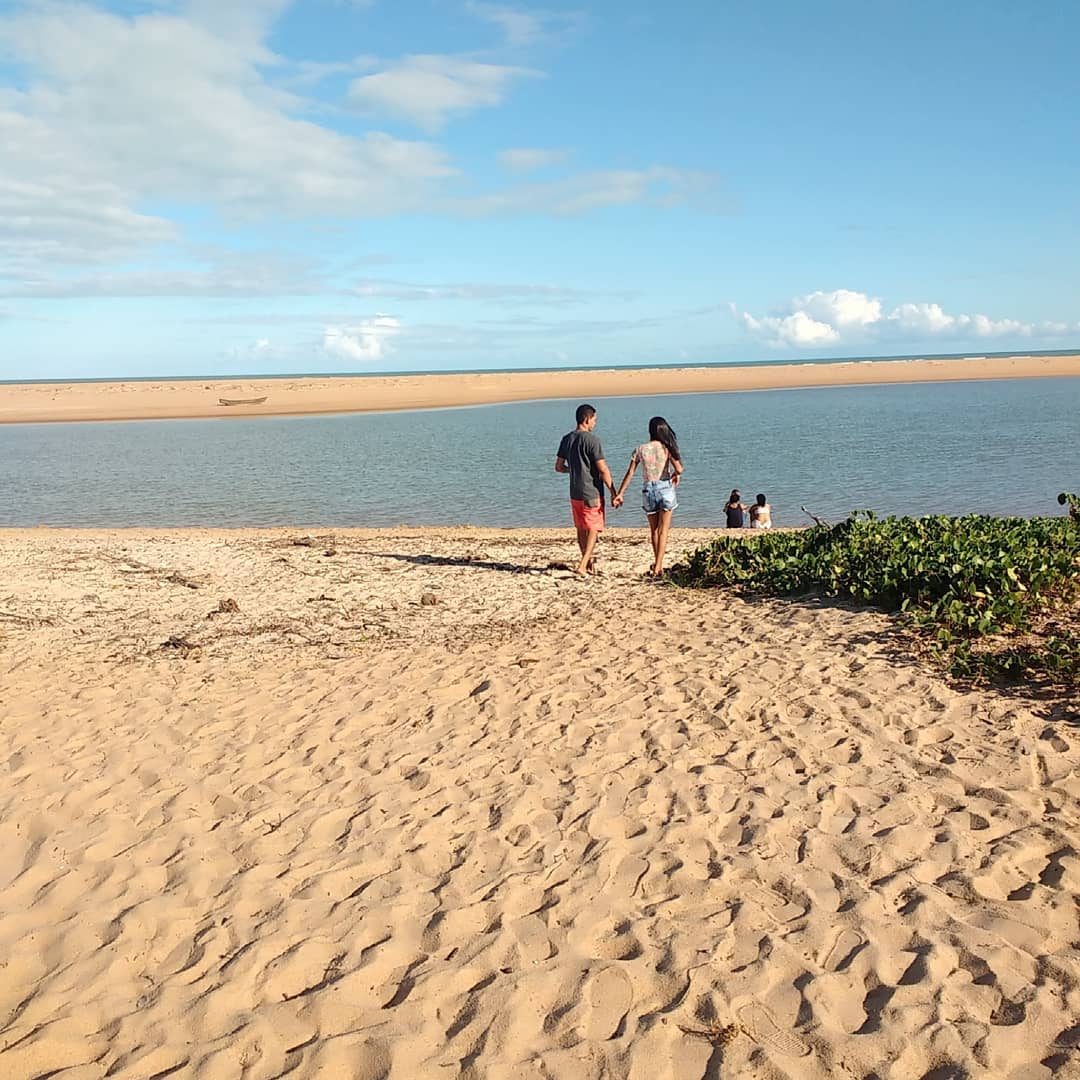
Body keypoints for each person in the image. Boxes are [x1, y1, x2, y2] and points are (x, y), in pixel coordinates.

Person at [614, 415, 684, 577]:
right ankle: (659, 565)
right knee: (664, 529)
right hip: (665, 487)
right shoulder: (667, 448)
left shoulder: (640, 449)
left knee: (654, 530)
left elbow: (630, 472)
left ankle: (657, 563)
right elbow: (679, 469)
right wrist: (675, 474)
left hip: (648, 489)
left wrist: (620, 493)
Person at [555, 404, 620, 577]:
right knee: (593, 527)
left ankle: (588, 562)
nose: (595, 423)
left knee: (580, 527)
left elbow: (559, 467)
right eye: (594, 420)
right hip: (591, 490)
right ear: (587, 419)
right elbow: (603, 469)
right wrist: (613, 491)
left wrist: (574, 469)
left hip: (575, 491)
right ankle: (583, 564)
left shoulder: (566, 439)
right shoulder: (592, 440)